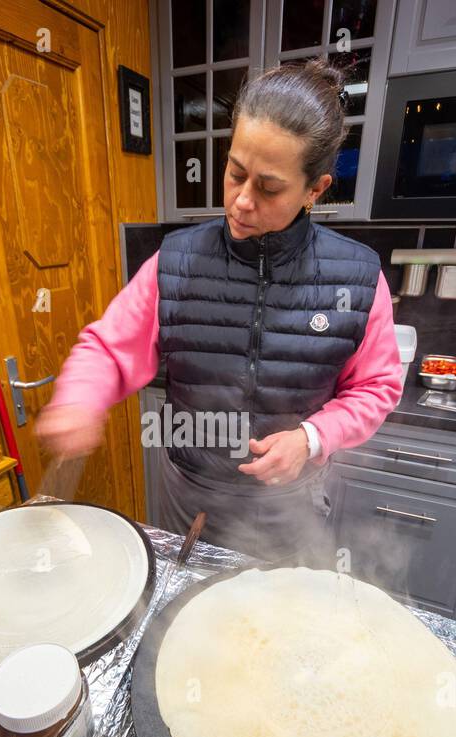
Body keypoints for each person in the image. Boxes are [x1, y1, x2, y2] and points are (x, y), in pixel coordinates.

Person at [37, 59, 403, 563]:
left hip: (287, 506)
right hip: (189, 495)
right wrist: (79, 398)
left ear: (314, 190)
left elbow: (376, 387)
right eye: (234, 174)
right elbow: (109, 346)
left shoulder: (356, 276)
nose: (241, 202)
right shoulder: (178, 260)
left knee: (271, 628)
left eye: (269, 188)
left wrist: (311, 438)